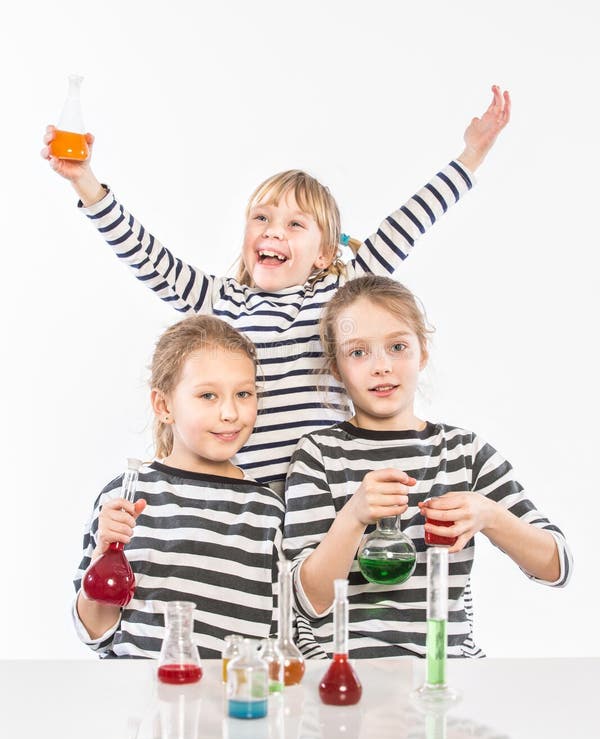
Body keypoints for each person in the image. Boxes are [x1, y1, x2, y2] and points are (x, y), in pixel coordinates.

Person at [43, 86, 510, 493]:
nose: (273, 232)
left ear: (324, 253)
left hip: (327, 488)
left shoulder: (337, 292)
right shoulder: (220, 300)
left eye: (294, 224)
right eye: (262, 218)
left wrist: (470, 156)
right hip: (243, 490)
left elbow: (406, 225)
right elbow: (145, 255)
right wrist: (85, 180)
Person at [283, 275, 572, 659]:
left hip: (445, 671)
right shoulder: (319, 455)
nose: (381, 366)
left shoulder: (463, 453)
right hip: (343, 679)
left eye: (398, 346)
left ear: (423, 352)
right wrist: (353, 516)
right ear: (335, 367)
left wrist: (489, 515)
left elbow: (557, 566)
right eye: (357, 353)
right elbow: (306, 600)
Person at [73, 315, 284, 659]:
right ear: (164, 405)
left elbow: (279, 632)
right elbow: (94, 631)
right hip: (140, 701)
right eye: (208, 395)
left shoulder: (268, 511)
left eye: (244, 393)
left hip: (231, 704)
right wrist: (104, 555)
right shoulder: (124, 499)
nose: (230, 412)